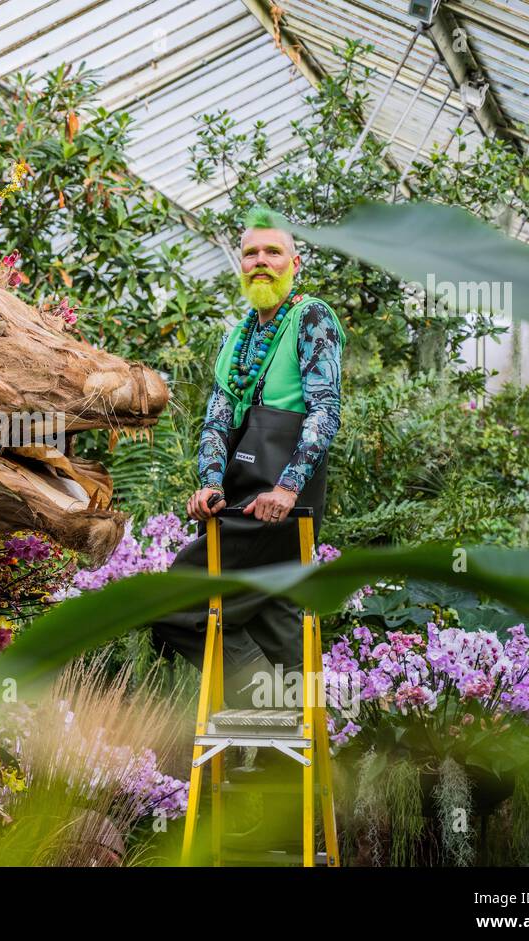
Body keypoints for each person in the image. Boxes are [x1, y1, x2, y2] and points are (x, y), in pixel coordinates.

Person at [151, 207, 345, 710]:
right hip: (236, 497)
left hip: (283, 501)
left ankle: (269, 709)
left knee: (174, 604)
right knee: (271, 613)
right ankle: (277, 748)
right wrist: (209, 484)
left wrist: (288, 488)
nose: (261, 261)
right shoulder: (236, 338)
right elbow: (216, 421)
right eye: (251, 253)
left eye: (273, 252)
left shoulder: (312, 317)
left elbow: (325, 410)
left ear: (294, 262)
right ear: (241, 265)